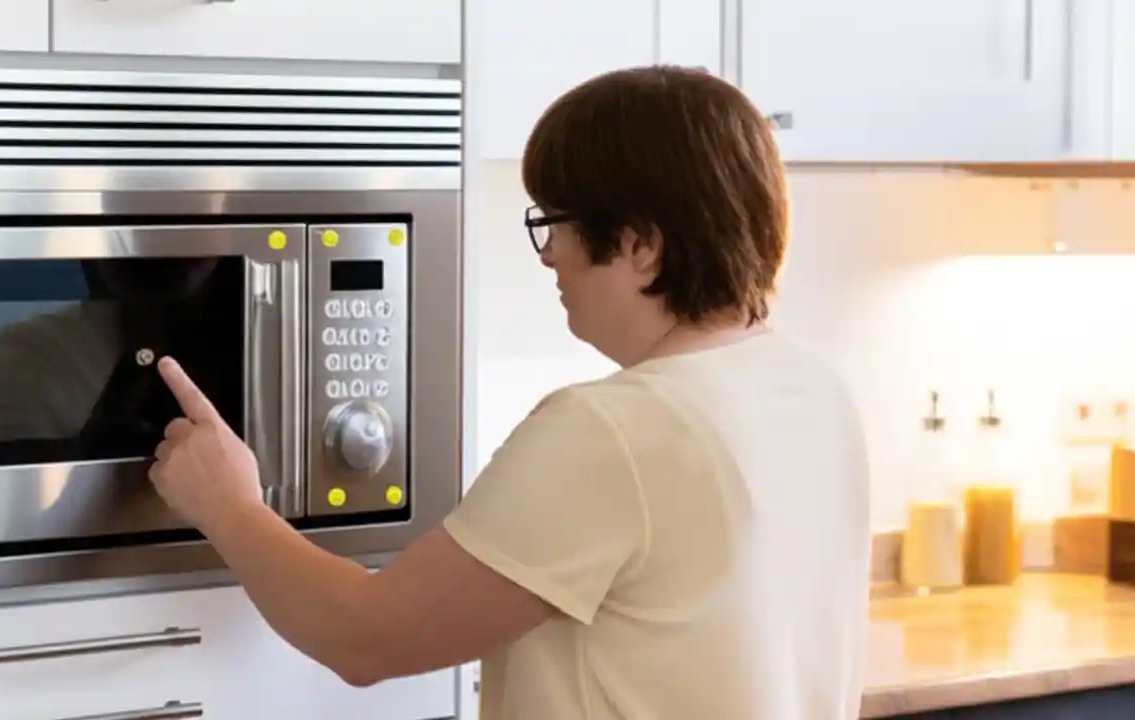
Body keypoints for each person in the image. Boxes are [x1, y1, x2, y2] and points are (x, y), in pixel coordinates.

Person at [148, 64, 871, 719]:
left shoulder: (613, 429)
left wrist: (230, 507)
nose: (549, 253)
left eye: (557, 222)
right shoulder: (813, 389)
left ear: (640, 245)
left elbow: (369, 639)